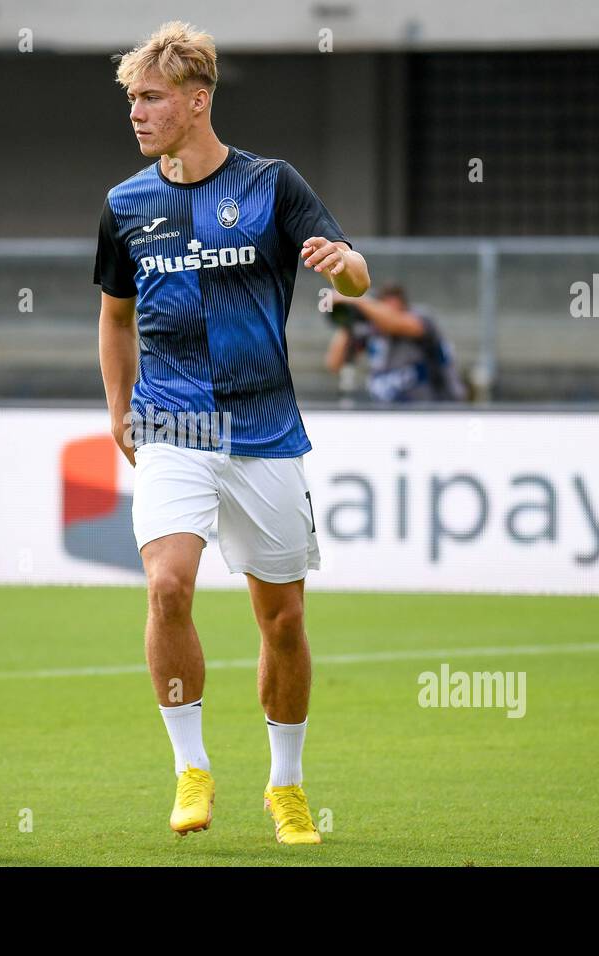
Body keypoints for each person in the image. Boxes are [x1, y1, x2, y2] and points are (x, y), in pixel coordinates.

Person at [93, 21, 369, 845]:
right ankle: (191, 766)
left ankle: (286, 787)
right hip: (173, 423)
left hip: (263, 429)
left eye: (150, 97)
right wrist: (118, 408)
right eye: (132, 99)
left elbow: (356, 272)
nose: (136, 113)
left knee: (282, 619)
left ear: (196, 100)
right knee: (167, 586)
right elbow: (114, 319)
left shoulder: (271, 185)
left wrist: (340, 267)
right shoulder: (125, 206)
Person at [325, 284, 467, 403]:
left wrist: (356, 300)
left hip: (436, 411)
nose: (384, 315)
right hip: (390, 415)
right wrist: (348, 321)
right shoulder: (372, 330)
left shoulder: (421, 319)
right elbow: (334, 364)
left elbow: (394, 322)